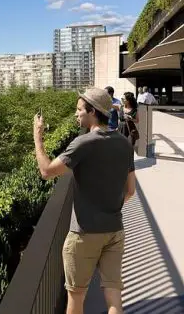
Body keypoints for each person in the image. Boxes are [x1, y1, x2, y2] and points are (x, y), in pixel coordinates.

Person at [33, 87, 135, 314]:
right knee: (114, 299)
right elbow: (131, 190)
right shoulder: (124, 143)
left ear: (93, 112)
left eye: (79, 109)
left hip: (84, 234)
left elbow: (47, 171)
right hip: (115, 231)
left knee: (76, 298)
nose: (76, 114)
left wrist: (37, 137)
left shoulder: (84, 143)